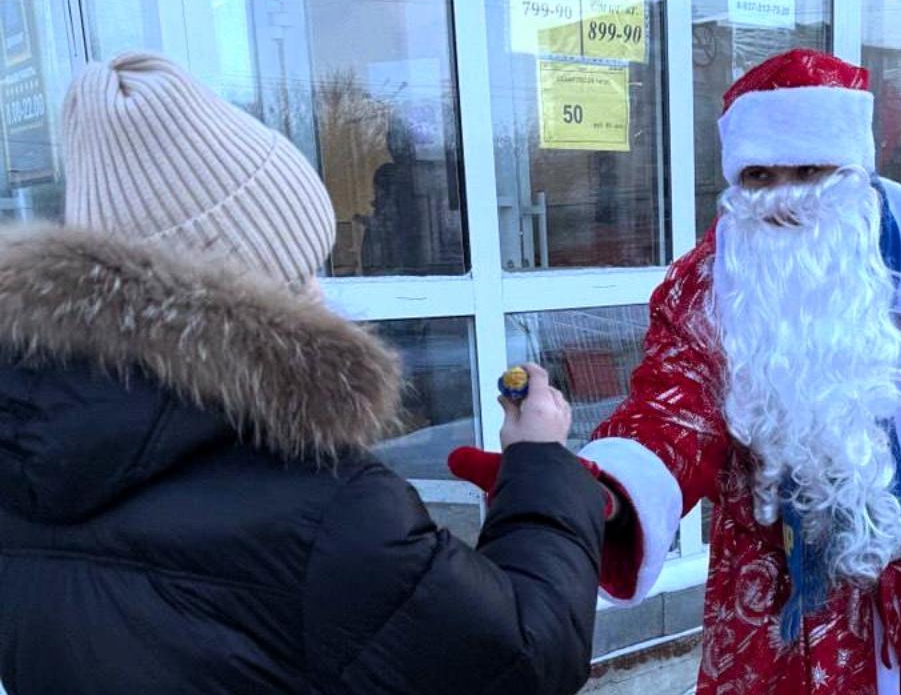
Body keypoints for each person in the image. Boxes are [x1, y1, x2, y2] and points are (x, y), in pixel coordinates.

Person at [451, 50, 901, 694]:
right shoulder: (706, 283)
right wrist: (585, 490)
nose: (785, 199)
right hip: (764, 611)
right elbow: (672, 410)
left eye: (809, 170)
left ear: (852, 168)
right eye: (760, 176)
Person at [0, 52, 605, 695]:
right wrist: (541, 463)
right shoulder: (326, 510)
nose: (318, 294)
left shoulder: (22, 476)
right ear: (242, 305)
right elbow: (523, 663)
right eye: (294, 276)